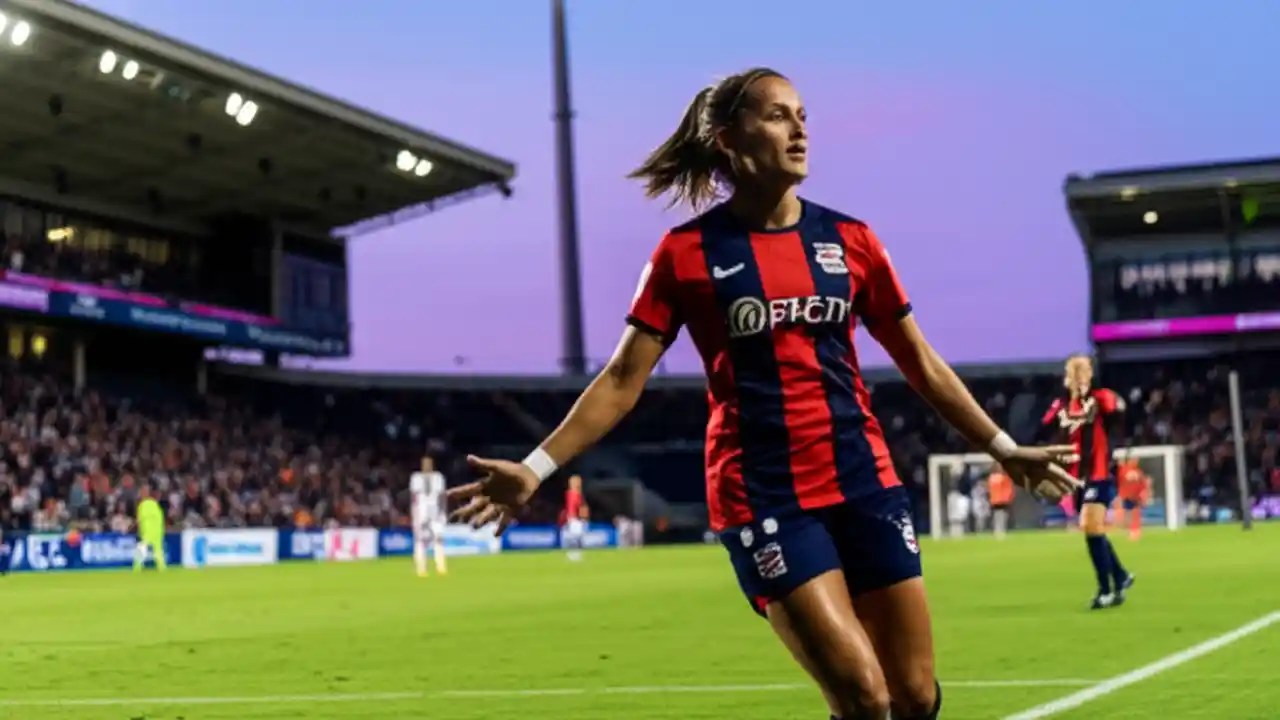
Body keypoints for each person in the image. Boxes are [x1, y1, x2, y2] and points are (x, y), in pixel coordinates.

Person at [449, 67, 1079, 720]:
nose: (799, 127)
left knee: (914, 696)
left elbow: (919, 361)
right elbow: (620, 380)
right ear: (729, 138)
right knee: (865, 695)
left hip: (863, 477)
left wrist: (1005, 449)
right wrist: (535, 467)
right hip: (766, 494)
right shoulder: (685, 254)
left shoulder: (851, 242)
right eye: (778, 115)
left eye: (802, 114)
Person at [1041, 354, 1136, 609]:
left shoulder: (1099, 399)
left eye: (1084, 372)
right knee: (1093, 531)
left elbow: (1119, 408)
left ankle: (1105, 590)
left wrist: (1092, 399)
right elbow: (1045, 425)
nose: (1079, 377)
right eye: (1075, 372)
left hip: (1099, 473)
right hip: (1076, 478)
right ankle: (1120, 576)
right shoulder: (1061, 406)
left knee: (1090, 525)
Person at [410, 456, 448, 577]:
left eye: (429, 464)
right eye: (425, 464)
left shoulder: (438, 477)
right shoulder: (416, 477)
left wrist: (443, 512)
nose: (427, 466)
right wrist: (413, 513)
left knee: (438, 538)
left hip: (435, 510)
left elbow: (442, 496)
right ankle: (421, 568)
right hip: (421, 510)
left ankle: (440, 566)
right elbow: (413, 497)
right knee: (420, 540)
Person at [1115, 454, 1151, 540]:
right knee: (1127, 513)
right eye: (1134, 459)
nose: (1136, 461)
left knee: (1134, 513)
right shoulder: (1124, 469)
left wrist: (1144, 493)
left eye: (1136, 460)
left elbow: (1143, 484)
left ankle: (1134, 531)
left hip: (1134, 496)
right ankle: (1130, 530)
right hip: (1126, 495)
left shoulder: (1137, 471)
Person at [133, 485, 167, 572]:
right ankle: (161, 567)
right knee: (158, 549)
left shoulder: (142, 505)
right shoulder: (155, 504)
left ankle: (137, 567)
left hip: (147, 530)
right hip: (157, 530)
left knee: (142, 547)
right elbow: (161, 518)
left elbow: (139, 519)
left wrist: (137, 529)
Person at [987, 463, 1015, 539]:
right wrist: (1010, 498)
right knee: (1002, 516)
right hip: (1003, 500)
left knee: (997, 516)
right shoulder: (1005, 478)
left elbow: (989, 490)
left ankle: (997, 531)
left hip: (995, 500)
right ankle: (1000, 531)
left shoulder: (991, 478)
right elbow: (1009, 489)